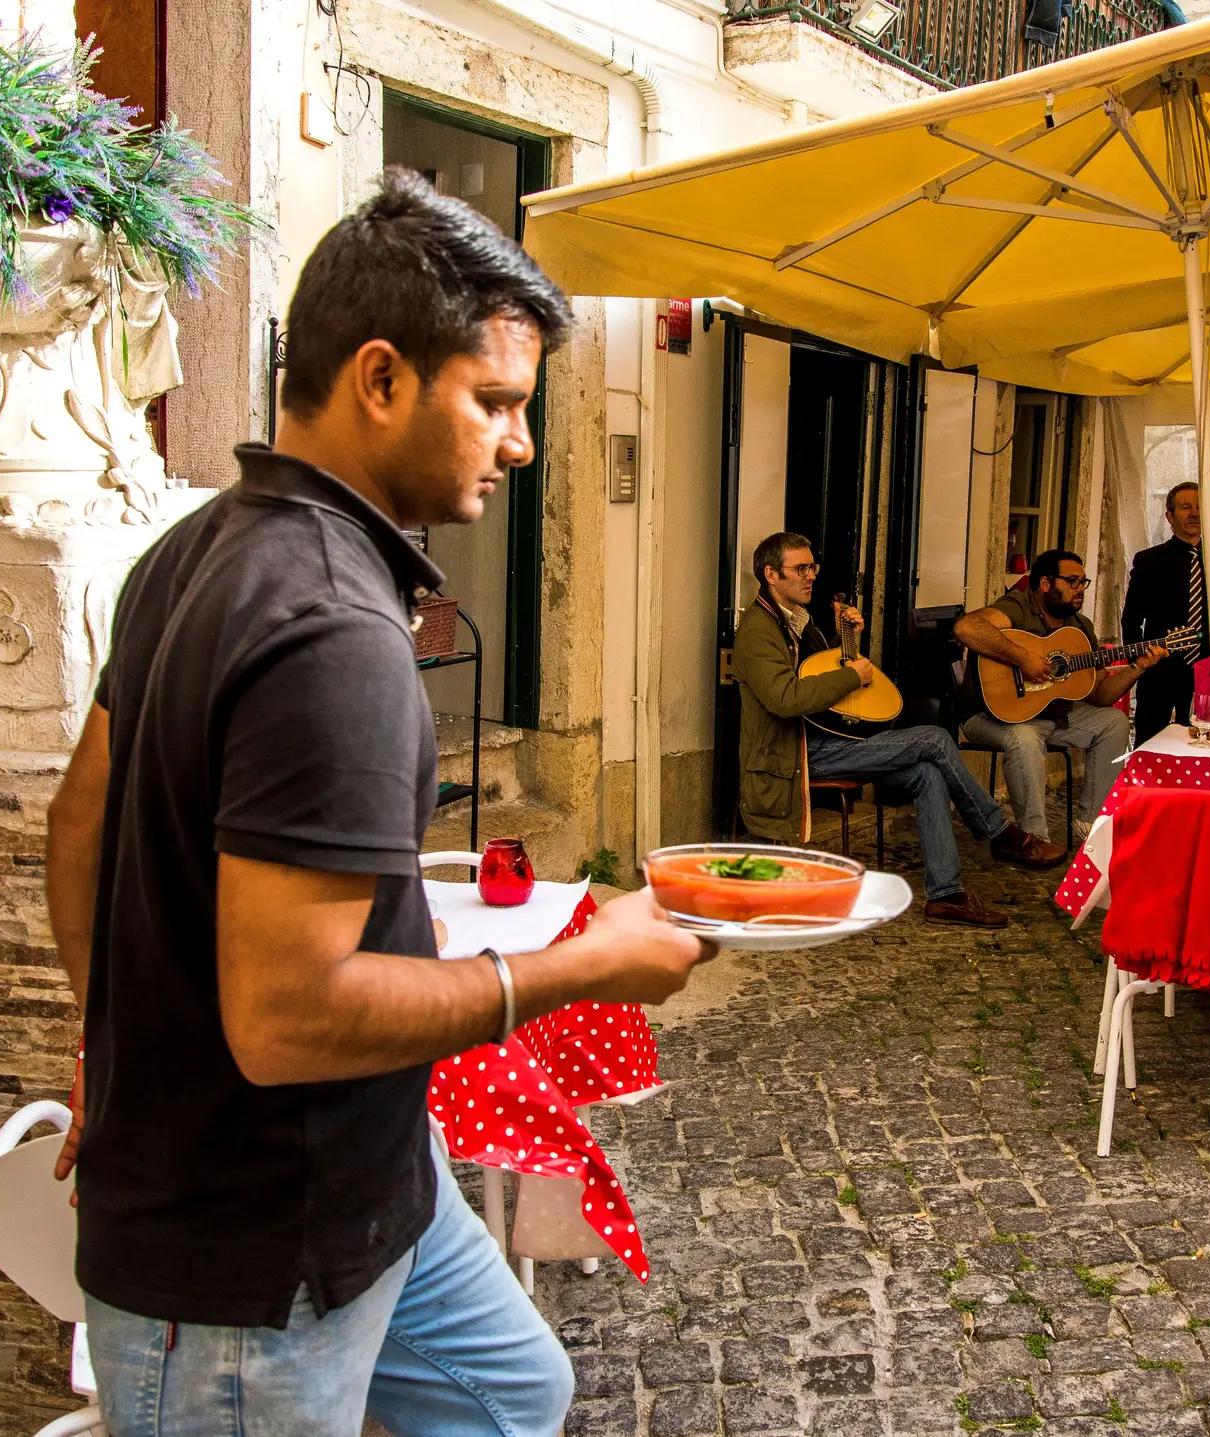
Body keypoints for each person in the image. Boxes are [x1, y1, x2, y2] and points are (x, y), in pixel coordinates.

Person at [42, 169, 713, 1436]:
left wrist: (105, 1052)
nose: (520, 444)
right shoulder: (335, 628)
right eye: (498, 403)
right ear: (382, 379)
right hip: (246, 1257)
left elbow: (80, 824)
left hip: (373, 1188)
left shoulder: (192, 547)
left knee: (515, 1393)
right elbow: (289, 1021)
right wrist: (579, 967)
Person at [734, 532, 1062, 927]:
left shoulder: (797, 622)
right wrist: (853, 676)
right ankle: (1000, 833)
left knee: (927, 773)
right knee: (935, 738)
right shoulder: (757, 630)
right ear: (770, 574)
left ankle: (947, 895)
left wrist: (844, 637)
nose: (810, 576)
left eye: (812, 567)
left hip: (823, 741)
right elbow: (786, 698)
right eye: (800, 568)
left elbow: (817, 671)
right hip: (795, 756)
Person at [956, 549, 1166, 847]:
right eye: (1072, 581)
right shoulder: (1018, 607)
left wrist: (1137, 667)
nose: (1079, 589)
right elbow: (966, 627)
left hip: (1052, 715)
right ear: (1045, 583)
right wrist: (1023, 658)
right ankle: (1034, 840)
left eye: (1083, 582)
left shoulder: (1080, 628)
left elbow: (1100, 694)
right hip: (990, 716)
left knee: (1114, 722)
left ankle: (1090, 822)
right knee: (1024, 739)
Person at [1121, 481, 1210, 741]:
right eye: (1185, 507)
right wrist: (1138, 665)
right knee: (1149, 743)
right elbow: (1131, 620)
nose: (1194, 513)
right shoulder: (1149, 561)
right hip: (1159, 671)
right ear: (1170, 516)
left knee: (1200, 744)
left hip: (1205, 674)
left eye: (1199, 507)